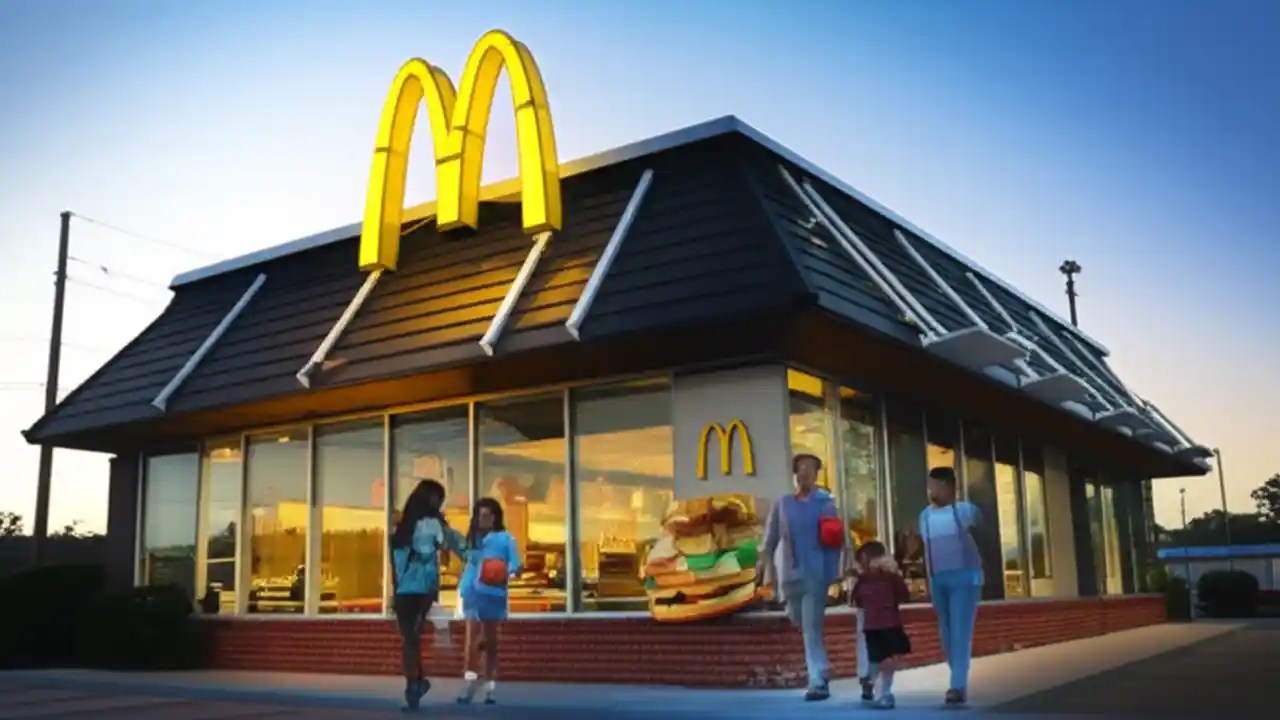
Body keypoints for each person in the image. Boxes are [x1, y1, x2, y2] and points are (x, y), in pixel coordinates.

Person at [758, 453, 849, 702]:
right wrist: (764, 563)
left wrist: (834, 573)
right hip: (789, 575)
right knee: (796, 618)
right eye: (800, 468)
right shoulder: (783, 503)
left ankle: (817, 681)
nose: (804, 473)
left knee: (811, 628)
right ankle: (822, 665)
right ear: (795, 473)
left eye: (809, 468)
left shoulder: (825, 503)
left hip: (815, 573)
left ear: (816, 474)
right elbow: (770, 538)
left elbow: (835, 540)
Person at [389, 479, 464, 711]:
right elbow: (398, 565)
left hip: (420, 589)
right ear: (426, 497)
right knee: (409, 639)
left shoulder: (427, 526)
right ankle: (415, 684)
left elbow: (455, 545)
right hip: (409, 589)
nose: (439, 503)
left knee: (411, 638)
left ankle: (413, 689)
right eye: (437, 498)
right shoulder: (409, 527)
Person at [918, 466, 984, 706]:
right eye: (930, 486)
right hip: (939, 579)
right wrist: (929, 581)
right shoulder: (925, 516)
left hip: (964, 579)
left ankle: (957, 685)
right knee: (946, 634)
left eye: (935, 486)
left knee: (960, 631)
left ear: (948, 487)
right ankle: (957, 678)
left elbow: (982, 532)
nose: (931, 491)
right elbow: (927, 550)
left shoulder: (965, 511)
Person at [456, 497, 522, 705]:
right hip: (472, 593)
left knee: (490, 641)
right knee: (471, 641)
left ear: (496, 517)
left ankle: (489, 687)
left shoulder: (505, 539)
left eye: (488, 515)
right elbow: (466, 561)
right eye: (481, 515)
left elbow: (515, 565)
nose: (484, 519)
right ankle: (469, 684)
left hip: (493, 594)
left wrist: (506, 573)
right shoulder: (472, 539)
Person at [850, 540, 911, 710]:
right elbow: (904, 596)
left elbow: (856, 600)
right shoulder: (892, 578)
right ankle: (884, 692)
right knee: (889, 660)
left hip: (872, 626)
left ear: (864, 559)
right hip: (891, 624)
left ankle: (872, 683)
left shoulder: (863, 581)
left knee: (876, 659)